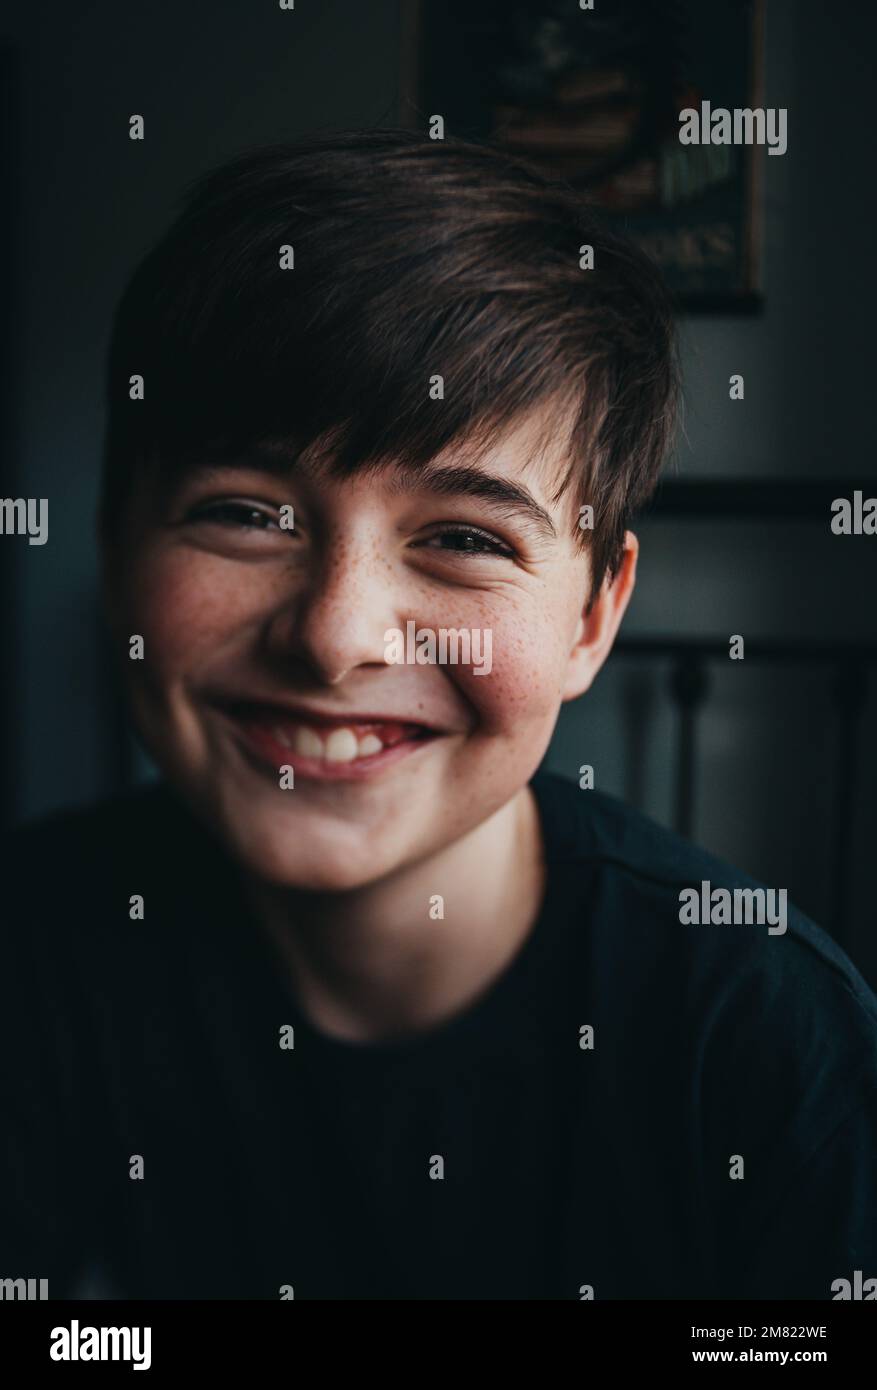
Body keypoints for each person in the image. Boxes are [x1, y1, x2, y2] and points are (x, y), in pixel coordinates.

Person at [2, 128, 876, 1301]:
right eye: (249, 514)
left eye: (464, 538)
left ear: (590, 619)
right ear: (115, 547)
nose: (335, 634)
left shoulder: (767, 1049)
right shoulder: (35, 959)